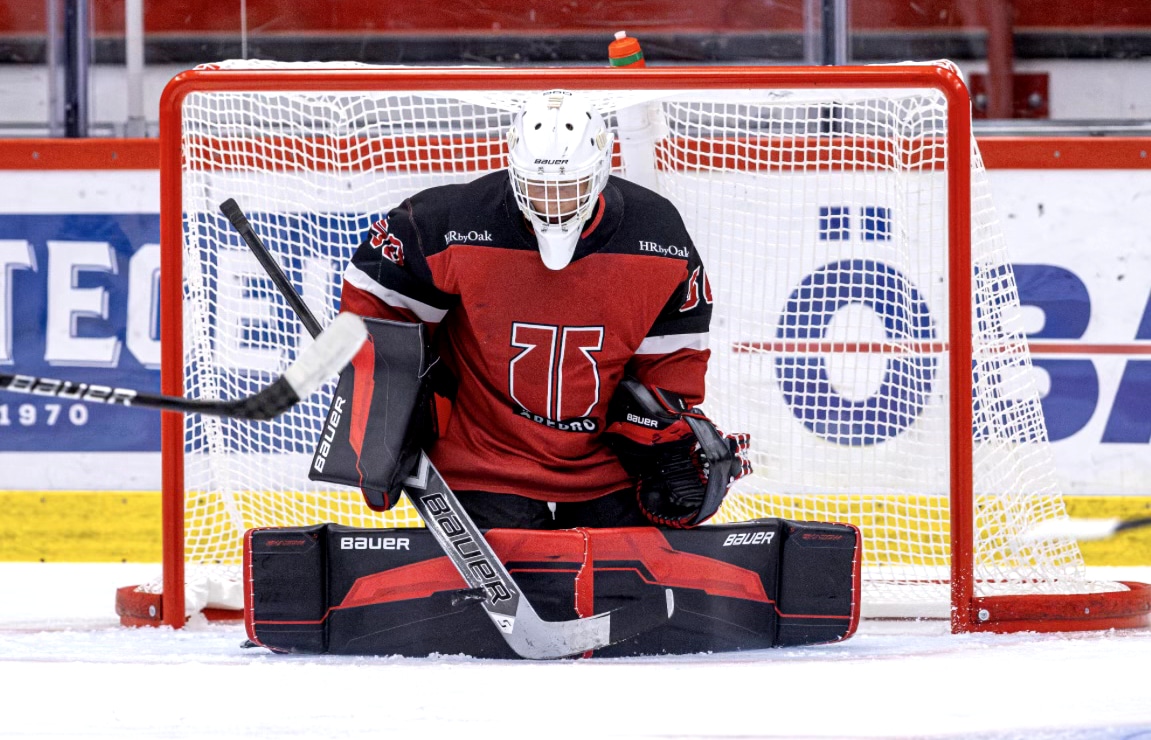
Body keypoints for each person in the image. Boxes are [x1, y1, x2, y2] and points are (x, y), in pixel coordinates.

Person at [338, 89, 749, 530]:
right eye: (538, 187)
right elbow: (377, 299)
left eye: (569, 187)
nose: (553, 203)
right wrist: (378, 422)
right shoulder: (450, 223)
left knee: (624, 597)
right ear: (513, 171)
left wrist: (668, 430)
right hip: (482, 466)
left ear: (599, 171)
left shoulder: (659, 238)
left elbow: (672, 360)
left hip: (605, 473)